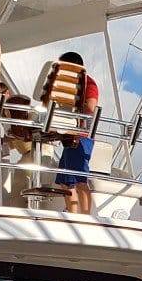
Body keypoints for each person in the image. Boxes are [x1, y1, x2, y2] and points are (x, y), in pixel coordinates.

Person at [54, 50, 99, 214]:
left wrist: (71, 101)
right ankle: (71, 213)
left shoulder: (89, 84)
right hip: (69, 135)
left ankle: (85, 216)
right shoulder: (69, 86)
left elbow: (90, 108)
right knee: (64, 180)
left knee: (79, 180)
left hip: (81, 137)